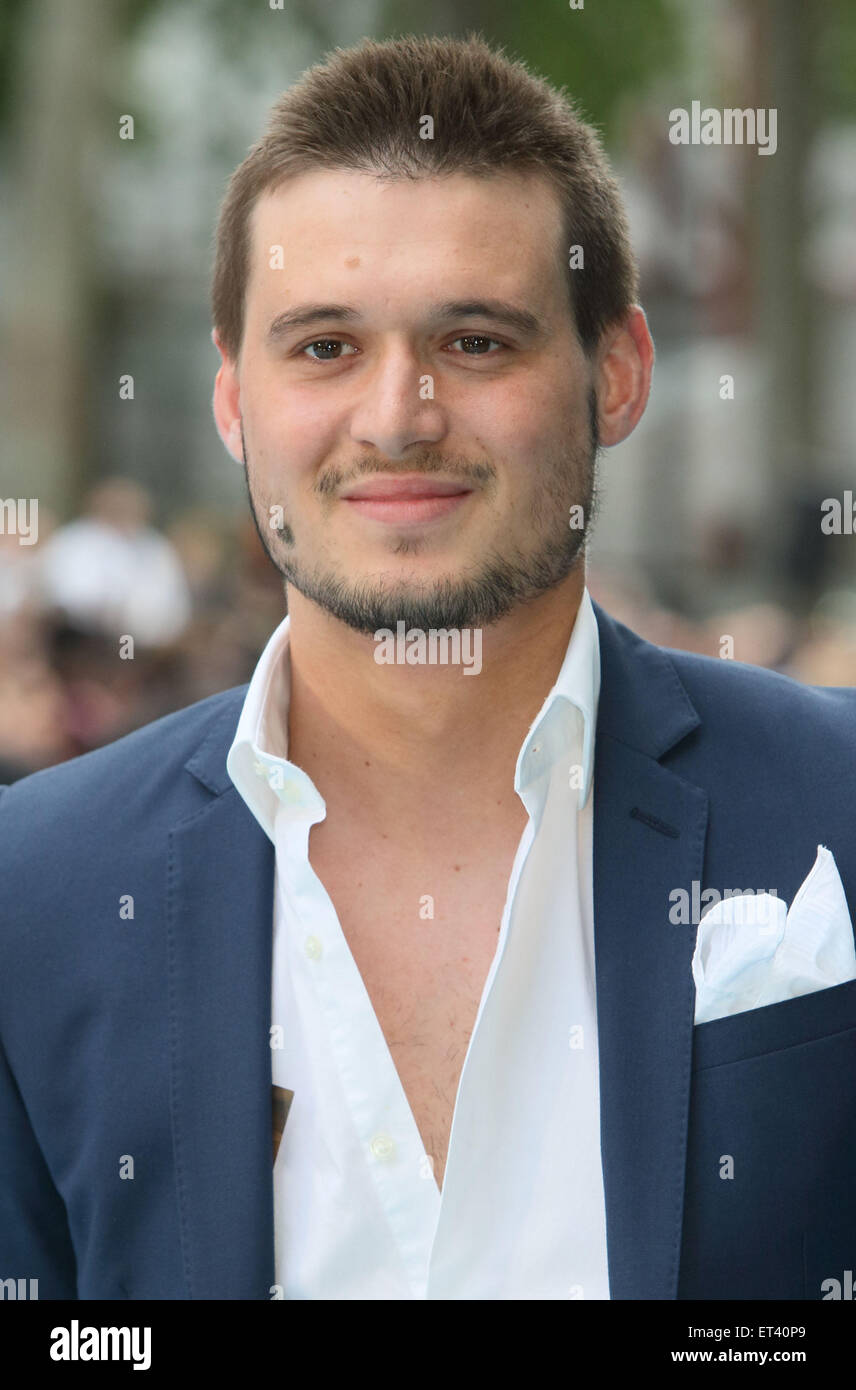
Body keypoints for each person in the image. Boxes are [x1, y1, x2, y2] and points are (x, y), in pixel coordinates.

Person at [1, 33, 854, 1302]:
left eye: (475, 341)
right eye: (325, 347)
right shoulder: (35, 886)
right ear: (234, 402)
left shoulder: (833, 793)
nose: (398, 416)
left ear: (614, 376)